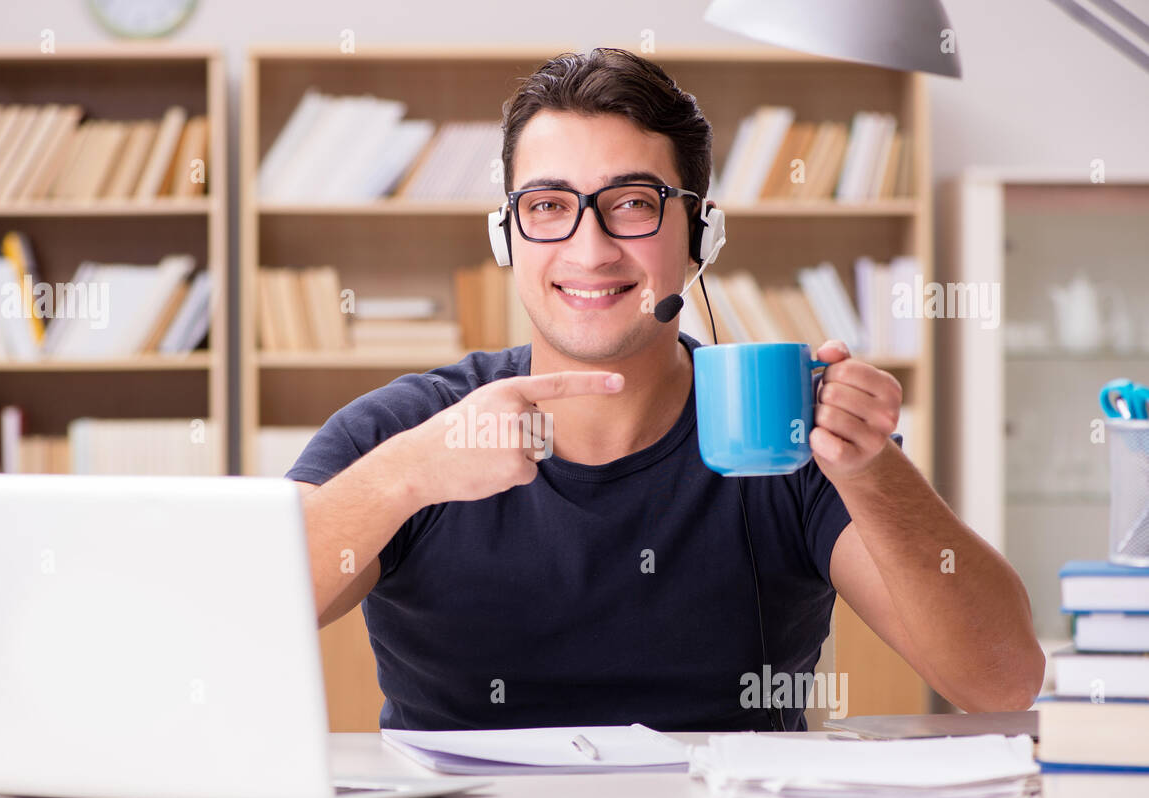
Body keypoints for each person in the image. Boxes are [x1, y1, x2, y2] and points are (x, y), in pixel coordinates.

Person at [286, 47, 1043, 732]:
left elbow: (1001, 680)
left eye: (633, 203)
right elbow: (235, 621)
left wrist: (871, 469)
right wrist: (408, 475)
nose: (590, 248)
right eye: (547, 206)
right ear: (506, 235)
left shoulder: (782, 430)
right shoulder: (404, 430)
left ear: (700, 236)